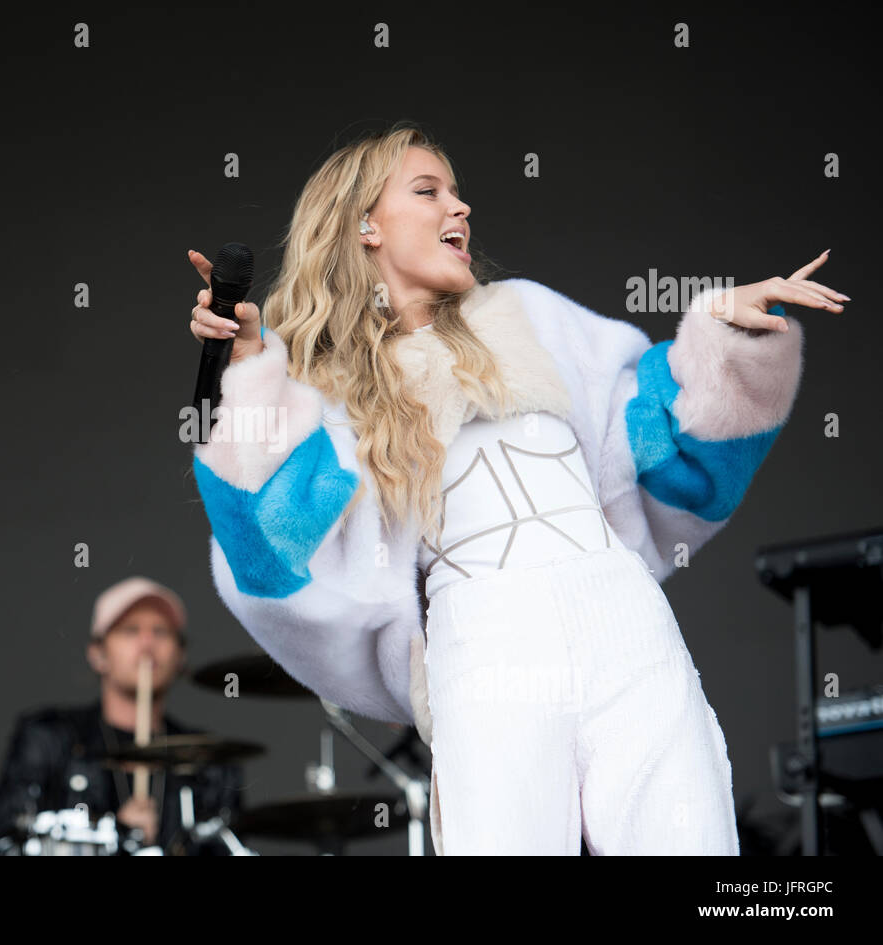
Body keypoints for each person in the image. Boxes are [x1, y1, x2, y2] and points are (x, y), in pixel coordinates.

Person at [186, 122, 846, 855]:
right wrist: (248, 373)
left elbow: (662, 447)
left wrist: (725, 333)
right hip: (485, 646)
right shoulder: (331, 396)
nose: (461, 209)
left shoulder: (531, 317)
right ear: (364, 224)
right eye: (429, 190)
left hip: (624, 621)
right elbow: (274, 544)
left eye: (460, 193)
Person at [0, 576, 244, 853]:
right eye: (130, 630)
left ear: (180, 657)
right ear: (98, 654)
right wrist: (113, 836)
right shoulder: (49, 738)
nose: (147, 643)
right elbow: (0, 843)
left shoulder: (209, 762)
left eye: (161, 631)